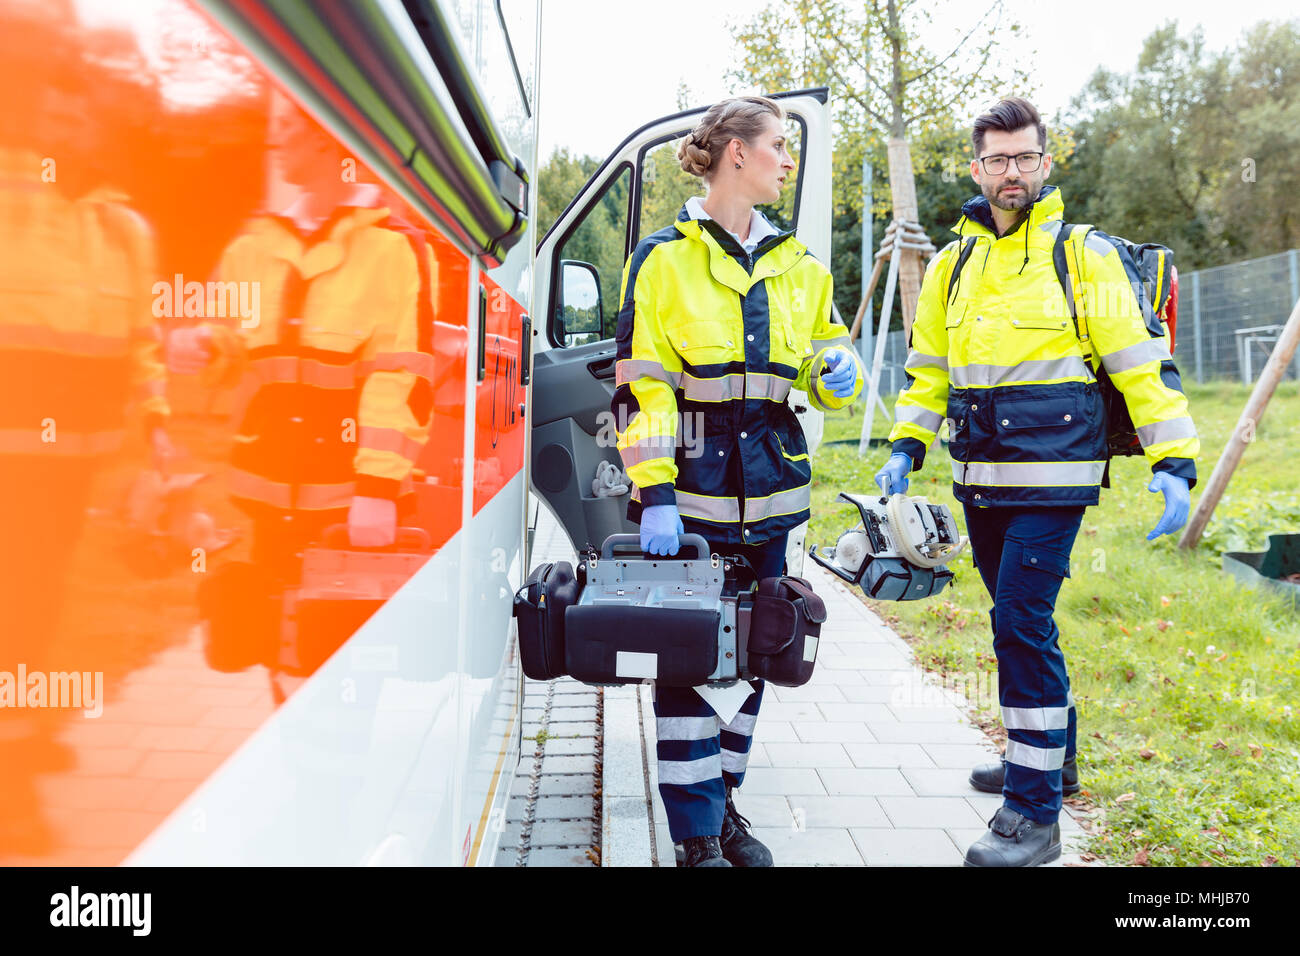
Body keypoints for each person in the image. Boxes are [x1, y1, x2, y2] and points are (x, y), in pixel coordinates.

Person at [876, 97, 1199, 867]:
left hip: (1056, 479)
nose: (1011, 172)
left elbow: (1137, 362)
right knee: (1018, 617)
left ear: (1046, 163)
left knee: (1019, 620)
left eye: (1025, 157)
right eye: (997, 159)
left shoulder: (1080, 255)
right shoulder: (952, 265)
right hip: (978, 476)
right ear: (976, 166)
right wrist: (905, 443)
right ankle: (1054, 758)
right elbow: (928, 371)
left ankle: (1034, 813)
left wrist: (1174, 461)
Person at [611, 95, 864, 866]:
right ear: (736, 155)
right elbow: (641, 390)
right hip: (689, 505)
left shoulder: (800, 266)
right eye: (778, 147)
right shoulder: (663, 259)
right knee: (690, 659)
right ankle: (694, 837)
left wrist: (837, 374)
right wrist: (654, 498)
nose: (786, 160)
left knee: (755, 658)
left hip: (774, 500)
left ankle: (726, 810)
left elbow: (823, 368)